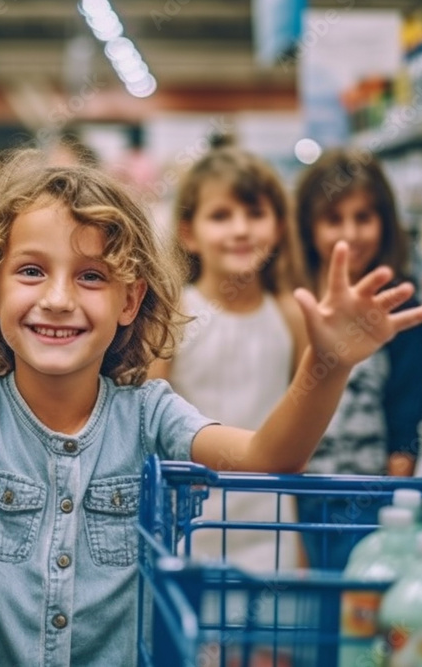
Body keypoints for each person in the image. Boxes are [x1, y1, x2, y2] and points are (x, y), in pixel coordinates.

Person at [0, 52, 422, 666]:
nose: (59, 298)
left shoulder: (149, 418)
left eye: (91, 276)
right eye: (32, 271)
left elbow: (268, 456)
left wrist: (329, 365)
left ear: (129, 300)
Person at [149, 147, 308, 571]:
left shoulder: (292, 315)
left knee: (273, 637)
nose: (240, 230)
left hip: (272, 527)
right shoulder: (171, 314)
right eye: (221, 216)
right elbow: (147, 421)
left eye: (255, 214)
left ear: (277, 227)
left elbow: (301, 417)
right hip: (189, 527)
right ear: (188, 233)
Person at [292, 148, 422, 570]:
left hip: (372, 500)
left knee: (364, 623)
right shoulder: (293, 298)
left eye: (364, 217)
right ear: (308, 227)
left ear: (385, 224)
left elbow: (406, 411)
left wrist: (395, 504)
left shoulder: (400, 305)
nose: (350, 233)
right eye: (334, 219)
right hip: (292, 496)